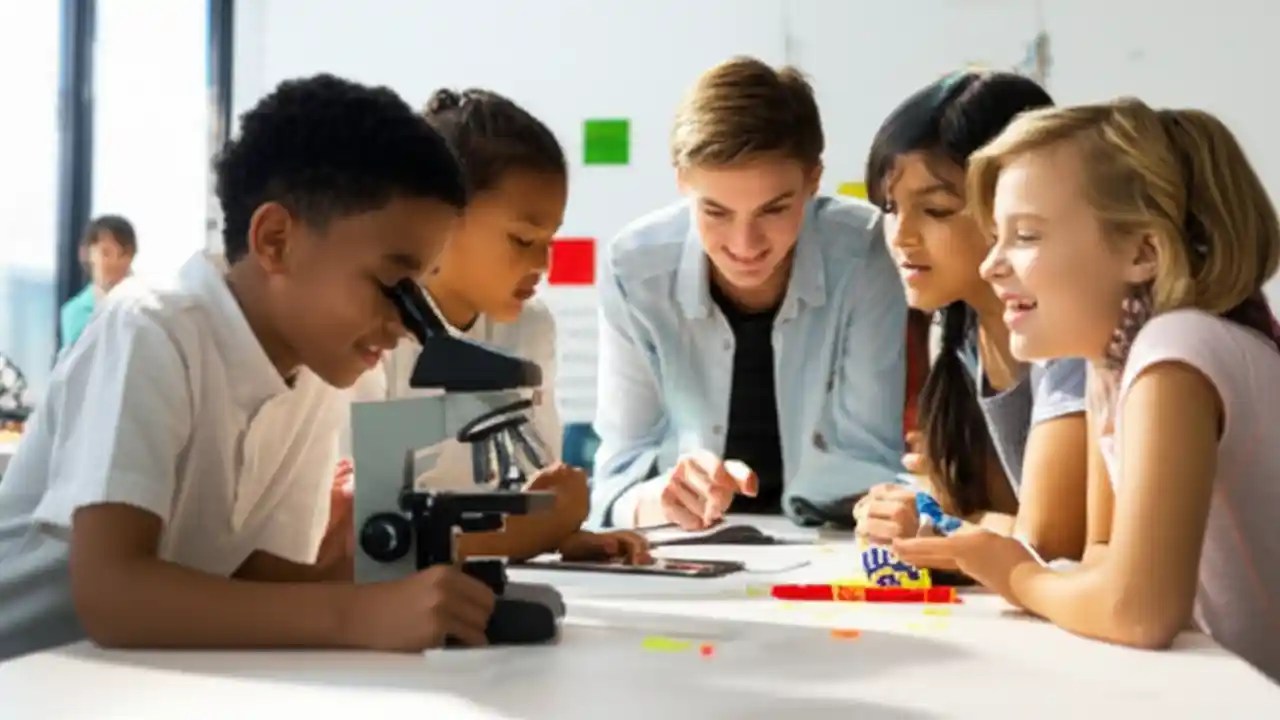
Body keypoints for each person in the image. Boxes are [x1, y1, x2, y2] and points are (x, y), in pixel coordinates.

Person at [0, 74, 504, 660]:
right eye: (395, 286)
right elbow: (113, 595)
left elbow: (253, 579)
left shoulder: (320, 374)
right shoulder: (152, 326)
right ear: (276, 240)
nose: (405, 323)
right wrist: (355, 612)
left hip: (142, 678)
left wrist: (385, 584)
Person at [895, 99, 1280, 681]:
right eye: (996, 236)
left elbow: (1139, 610)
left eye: (1025, 235)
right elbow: (1098, 558)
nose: (991, 266)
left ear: (1142, 252)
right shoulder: (1113, 365)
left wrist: (1019, 576)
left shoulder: (1174, 355)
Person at [589, 56, 908, 530]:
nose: (745, 245)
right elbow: (615, 481)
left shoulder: (865, 253)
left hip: (829, 541)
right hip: (683, 546)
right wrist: (662, 497)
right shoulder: (633, 267)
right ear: (682, 180)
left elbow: (868, 457)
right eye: (715, 212)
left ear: (813, 181)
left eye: (774, 210)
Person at [356, 87, 649, 564]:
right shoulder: (371, 335)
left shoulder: (530, 328)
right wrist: (527, 536)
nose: (545, 263)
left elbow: (536, 488)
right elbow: (362, 544)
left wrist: (564, 536)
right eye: (523, 238)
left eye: (550, 240)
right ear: (441, 217)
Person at [854, 71, 1089, 565]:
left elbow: (1048, 545)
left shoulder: (1077, 331)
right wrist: (920, 515)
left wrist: (941, 527)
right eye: (892, 208)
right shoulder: (959, 329)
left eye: (936, 210)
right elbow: (989, 515)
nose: (901, 236)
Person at [59, 215, 137, 349]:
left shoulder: (144, 307)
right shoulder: (76, 312)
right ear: (87, 254)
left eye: (123, 254)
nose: (115, 262)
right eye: (106, 253)